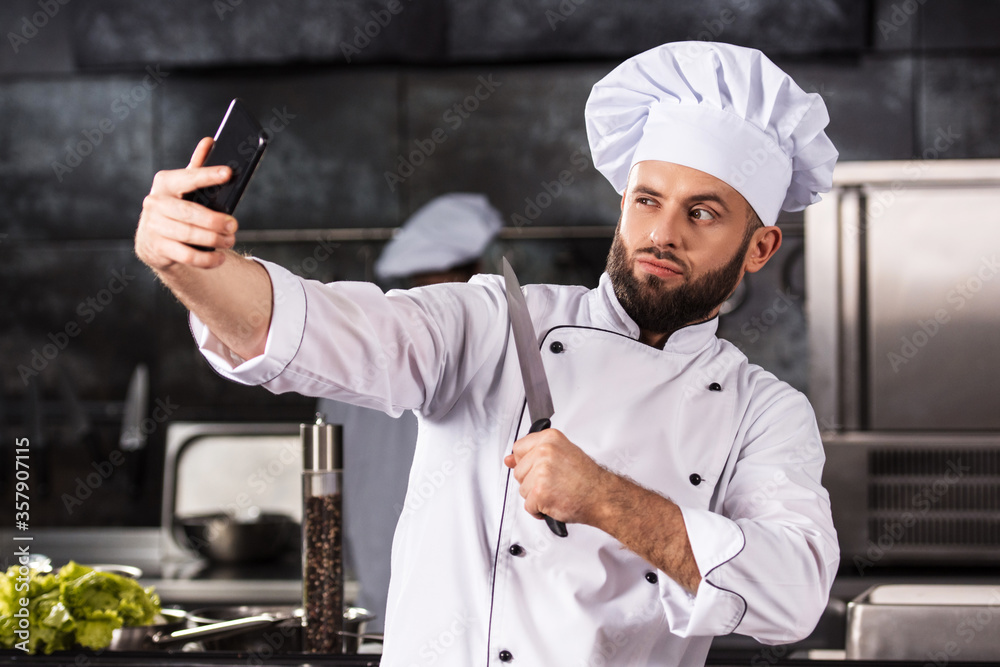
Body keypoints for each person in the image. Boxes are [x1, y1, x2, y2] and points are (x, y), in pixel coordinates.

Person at [135, 41, 840, 666]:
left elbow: (793, 595)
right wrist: (189, 266)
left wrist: (606, 499)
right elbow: (305, 328)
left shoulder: (763, 412)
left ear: (760, 247)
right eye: (646, 200)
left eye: (703, 212)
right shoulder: (495, 323)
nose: (663, 232)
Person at [317, 193, 502, 634]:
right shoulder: (490, 350)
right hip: (462, 617)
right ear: (475, 273)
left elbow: (330, 481)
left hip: (377, 602)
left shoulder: (356, 344)